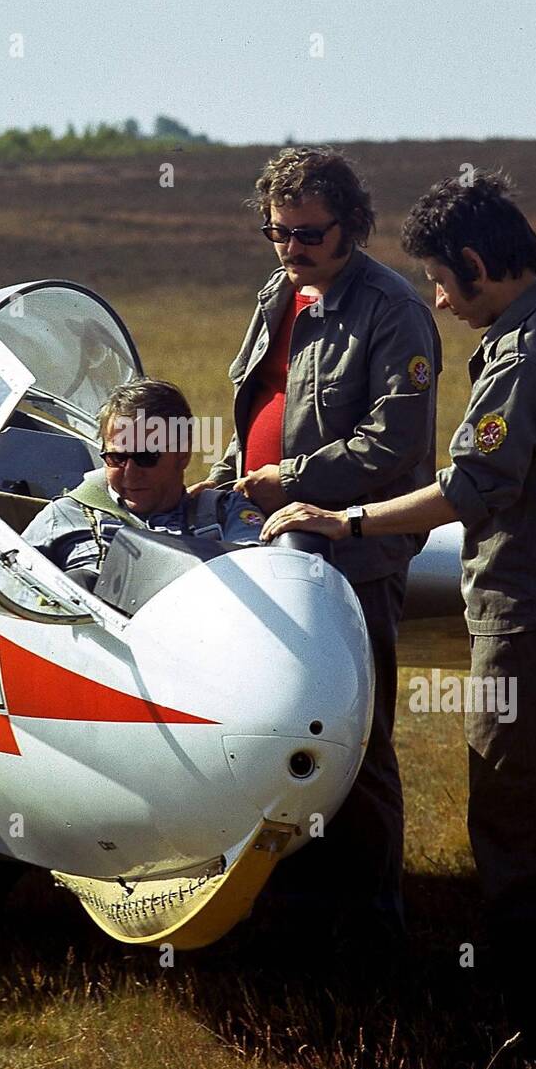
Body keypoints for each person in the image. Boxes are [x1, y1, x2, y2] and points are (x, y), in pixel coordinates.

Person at [263, 169, 536, 1052]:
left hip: (530, 622)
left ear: (474, 263)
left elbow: (468, 487)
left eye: (439, 277)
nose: (435, 296)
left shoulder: (526, 353)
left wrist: (345, 518)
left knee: (523, 818)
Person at [198, 146, 442, 940]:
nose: (291, 247)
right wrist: (234, 472)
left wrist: (292, 478)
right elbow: (261, 404)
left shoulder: (393, 311)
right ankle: (286, 901)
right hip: (272, 543)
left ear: (353, 226)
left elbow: (392, 446)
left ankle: (373, 924)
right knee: (273, 724)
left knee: (354, 740)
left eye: (308, 233)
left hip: (352, 555)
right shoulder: (280, 294)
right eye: (278, 231)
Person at [23, 377, 264, 571]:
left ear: (182, 455)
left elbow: (260, 572)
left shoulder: (226, 515)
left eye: (146, 458)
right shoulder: (65, 515)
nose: (130, 474)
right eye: (116, 458)